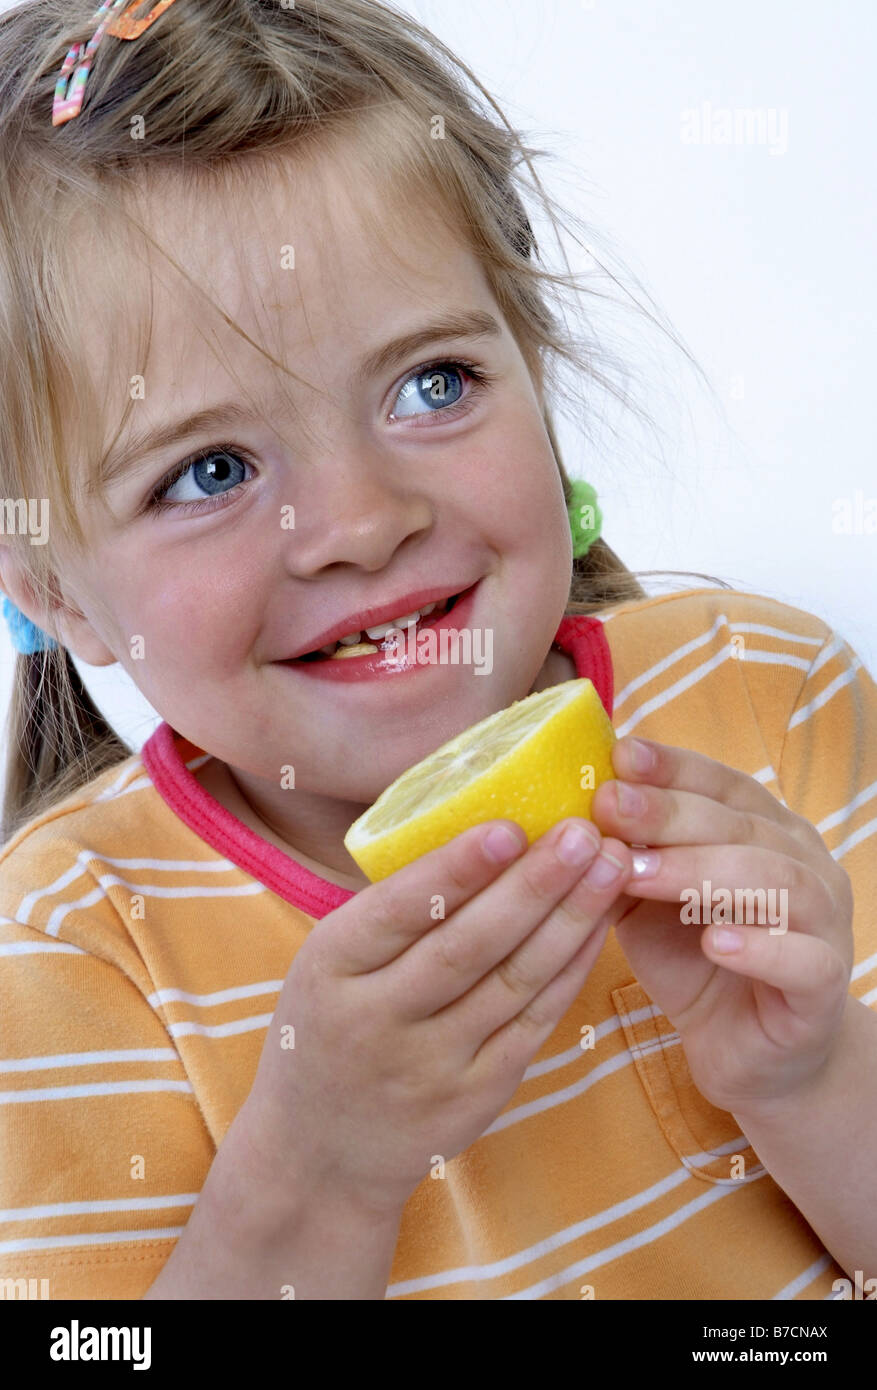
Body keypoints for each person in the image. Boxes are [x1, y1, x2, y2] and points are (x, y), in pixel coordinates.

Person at [0, 0, 874, 1302]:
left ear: (536, 371)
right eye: (211, 469)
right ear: (55, 591)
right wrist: (312, 1172)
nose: (357, 522)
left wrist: (811, 1076)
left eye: (432, 384)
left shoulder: (763, 693)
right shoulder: (71, 952)